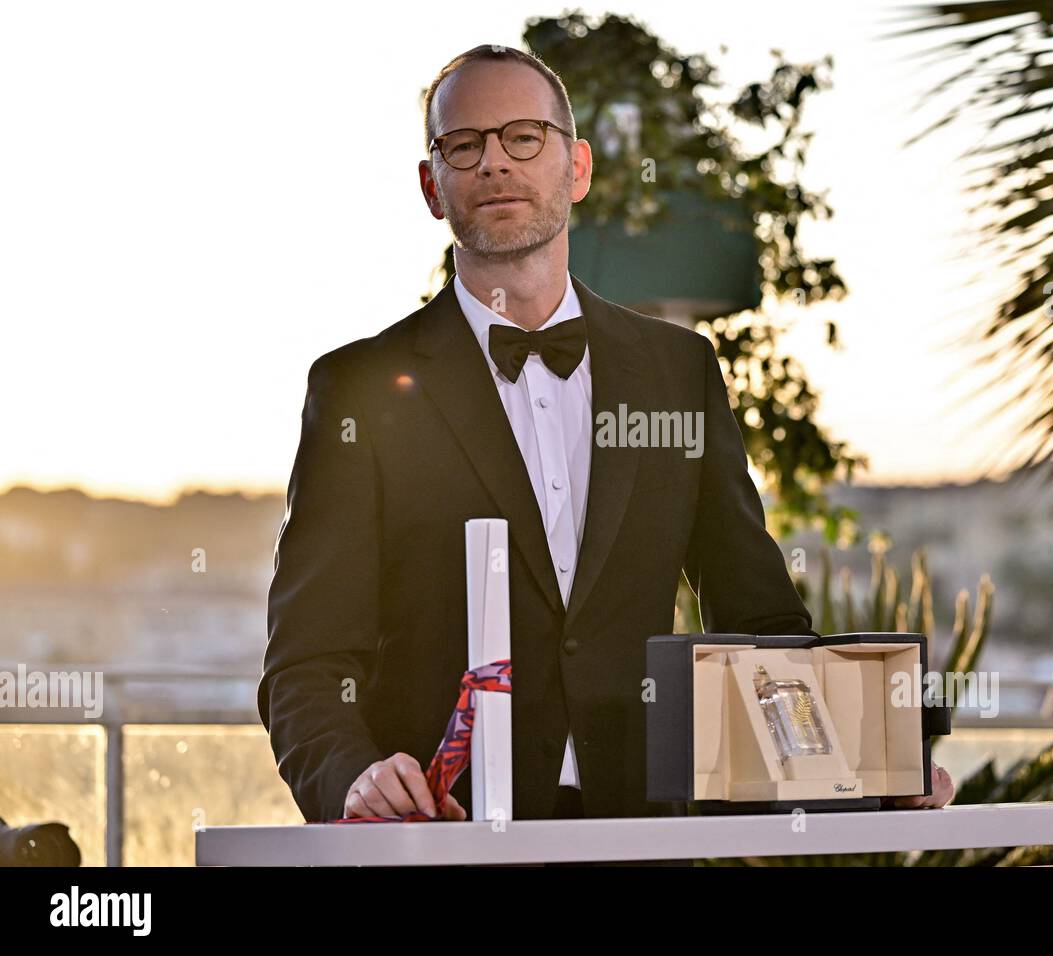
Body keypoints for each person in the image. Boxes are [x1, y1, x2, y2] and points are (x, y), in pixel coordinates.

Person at [256, 44, 953, 855]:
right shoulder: (360, 388)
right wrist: (355, 777)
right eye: (464, 144)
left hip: (642, 835)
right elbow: (304, 666)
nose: (494, 163)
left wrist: (868, 768)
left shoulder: (677, 371)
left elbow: (757, 617)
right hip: (441, 839)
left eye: (524, 137)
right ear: (430, 184)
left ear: (576, 166)